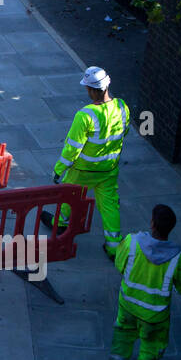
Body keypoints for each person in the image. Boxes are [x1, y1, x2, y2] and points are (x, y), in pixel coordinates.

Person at [102, 204, 181, 360]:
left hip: (127, 306)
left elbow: (119, 264)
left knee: (121, 340)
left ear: (152, 223)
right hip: (155, 317)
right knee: (150, 353)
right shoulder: (179, 260)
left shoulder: (131, 242)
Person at [50, 66, 130, 258]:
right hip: (109, 170)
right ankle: (113, 247)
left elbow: (72, 148)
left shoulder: (84, 115)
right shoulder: (121, 107)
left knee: (70, 195)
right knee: (110, 206)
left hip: (83, 170)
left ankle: (60, 224)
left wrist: (58, 170)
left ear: (91, 90)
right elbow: (123, 132)